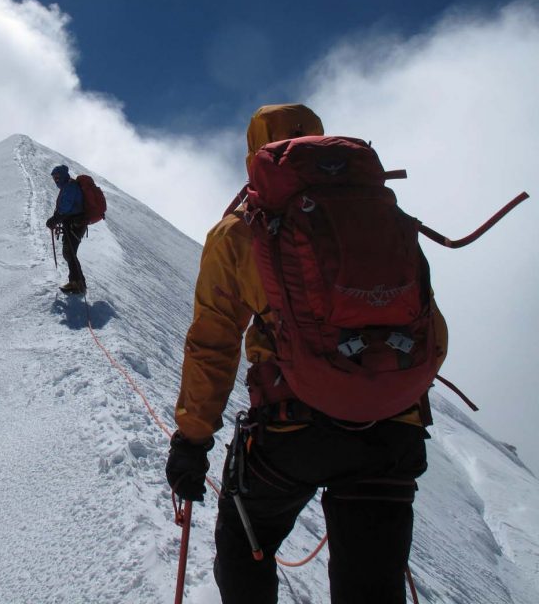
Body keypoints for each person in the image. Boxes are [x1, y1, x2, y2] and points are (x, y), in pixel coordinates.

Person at [164, 104, 447, 604]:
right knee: (372, 587)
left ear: (256, 153)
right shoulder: (382, 217)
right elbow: (427, 320)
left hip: (293, 432)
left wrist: (192, 440)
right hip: (391, 426)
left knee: (243, 544)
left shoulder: (241, 232)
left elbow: (213, 342)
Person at [46, 164, 87, 294]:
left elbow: (66, 207)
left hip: (74, 224)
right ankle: (78, 283)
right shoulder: (67, 187)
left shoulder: (70, 187)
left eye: (57, 177)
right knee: (69, 253)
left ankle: (77, 284)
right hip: (73, 224)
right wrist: (57, 219)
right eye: (54, 178)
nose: (56, 180)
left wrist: (55, 219)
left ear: (63, 175)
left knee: (69, 253)